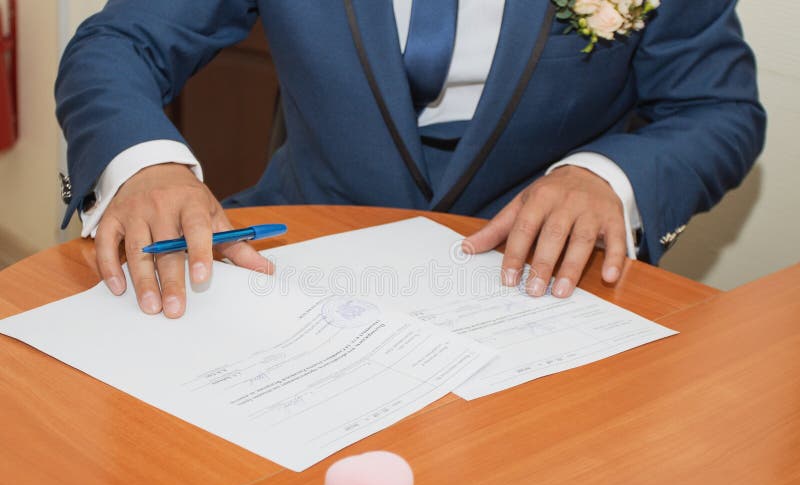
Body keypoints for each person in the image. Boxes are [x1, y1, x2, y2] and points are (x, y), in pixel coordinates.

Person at [55, 0, 765, 319]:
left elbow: (718, 110)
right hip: (301, 255)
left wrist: (608, 178)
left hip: (537, 283)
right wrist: (144, 164)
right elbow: (118, 44)